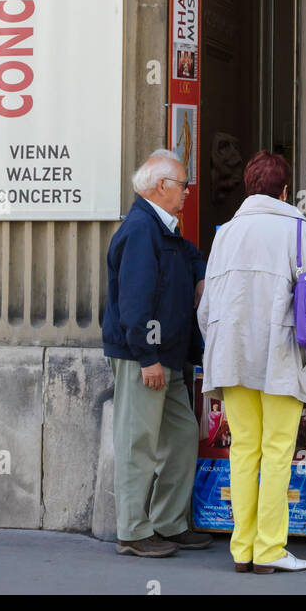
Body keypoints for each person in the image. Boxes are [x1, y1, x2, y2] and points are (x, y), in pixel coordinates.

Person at [198, 151, 306, 574]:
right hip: (280, 354)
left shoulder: (226, 233)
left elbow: (207, 305)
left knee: (243, 450)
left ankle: (242, 549)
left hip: (232, 355)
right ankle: (270, 550)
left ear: (248, 187)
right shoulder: (297, 228)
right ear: (285, 190)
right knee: (276, 452)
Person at [102, 147, 211, 558]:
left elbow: (190, 260)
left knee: (181, 436)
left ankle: (168, 522)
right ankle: (132, 531)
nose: (187, 192)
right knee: (139, 443)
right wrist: (147, 358)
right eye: (183, 184)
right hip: (144, 357)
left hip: (169, 356)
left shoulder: (163, 228)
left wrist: (200, 276)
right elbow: (135, 302)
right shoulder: (141, 230)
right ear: (162, 186)